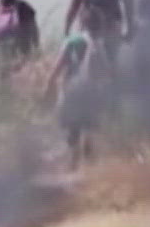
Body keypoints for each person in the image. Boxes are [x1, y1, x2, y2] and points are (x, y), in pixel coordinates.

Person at [44, 30, 112, 168]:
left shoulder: (71, 41)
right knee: (88, 127)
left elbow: (59, 64)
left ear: (81, 22)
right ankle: (88, 162)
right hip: (90, 90)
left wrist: (50, 83)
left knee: (72, 126)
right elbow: (106, 71)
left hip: (71, 88)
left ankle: (73, 161)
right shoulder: (98, 44)